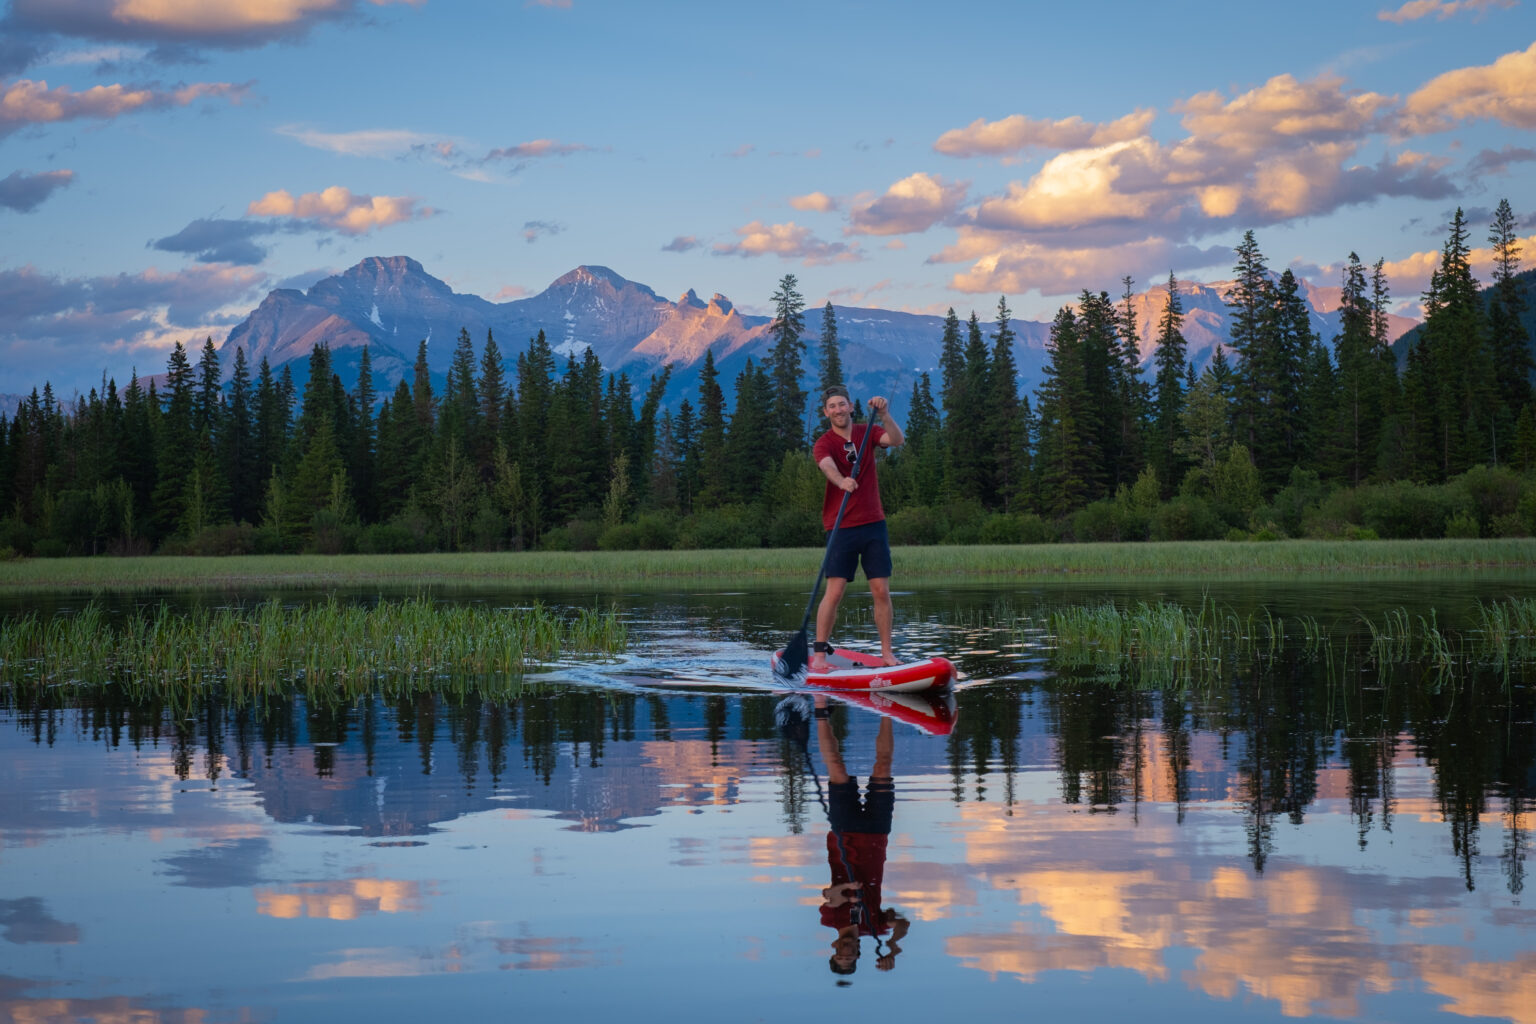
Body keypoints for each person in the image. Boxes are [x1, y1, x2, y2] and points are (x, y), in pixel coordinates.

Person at [811, 386, 905, 672]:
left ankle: (887, 653)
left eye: (842, 404)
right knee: (835, 591)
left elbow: (897, 440)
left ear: (851, 407)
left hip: (874, 524)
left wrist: (886, 414)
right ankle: (819, 656)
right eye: (832, 406)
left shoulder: (868, 432)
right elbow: (826, 466)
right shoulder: (823, 443)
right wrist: (841, 481)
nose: (838, 410)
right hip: (841, 526)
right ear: (826, 412)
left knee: (880, 591)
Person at [815, 697, 910, 975]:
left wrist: (845, 893)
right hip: (877, 835)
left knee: (836, 768)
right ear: (858, 953)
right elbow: (902, 924)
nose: (846, 952)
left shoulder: (829, 920)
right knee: (883, 767)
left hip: (844, 836)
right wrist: (893, 947)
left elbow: (828, 894)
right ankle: (886, 707)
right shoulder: (874, 926)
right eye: (851, 957)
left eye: (840, 956)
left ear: (833, 948)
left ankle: (821, 711)